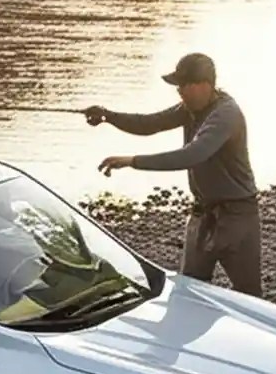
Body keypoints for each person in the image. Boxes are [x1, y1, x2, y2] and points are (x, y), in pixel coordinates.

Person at [85, 52, 262, 297]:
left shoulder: (225, 115)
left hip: (238, 218)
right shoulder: (190, 109)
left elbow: (192, 155)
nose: (180, 92)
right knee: (189, 294)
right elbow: (150, 123)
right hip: (202, 215)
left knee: (250, 296)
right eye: (178, 86)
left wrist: (132, 161)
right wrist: (109, 116)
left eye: (184, 86)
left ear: (205, 85)